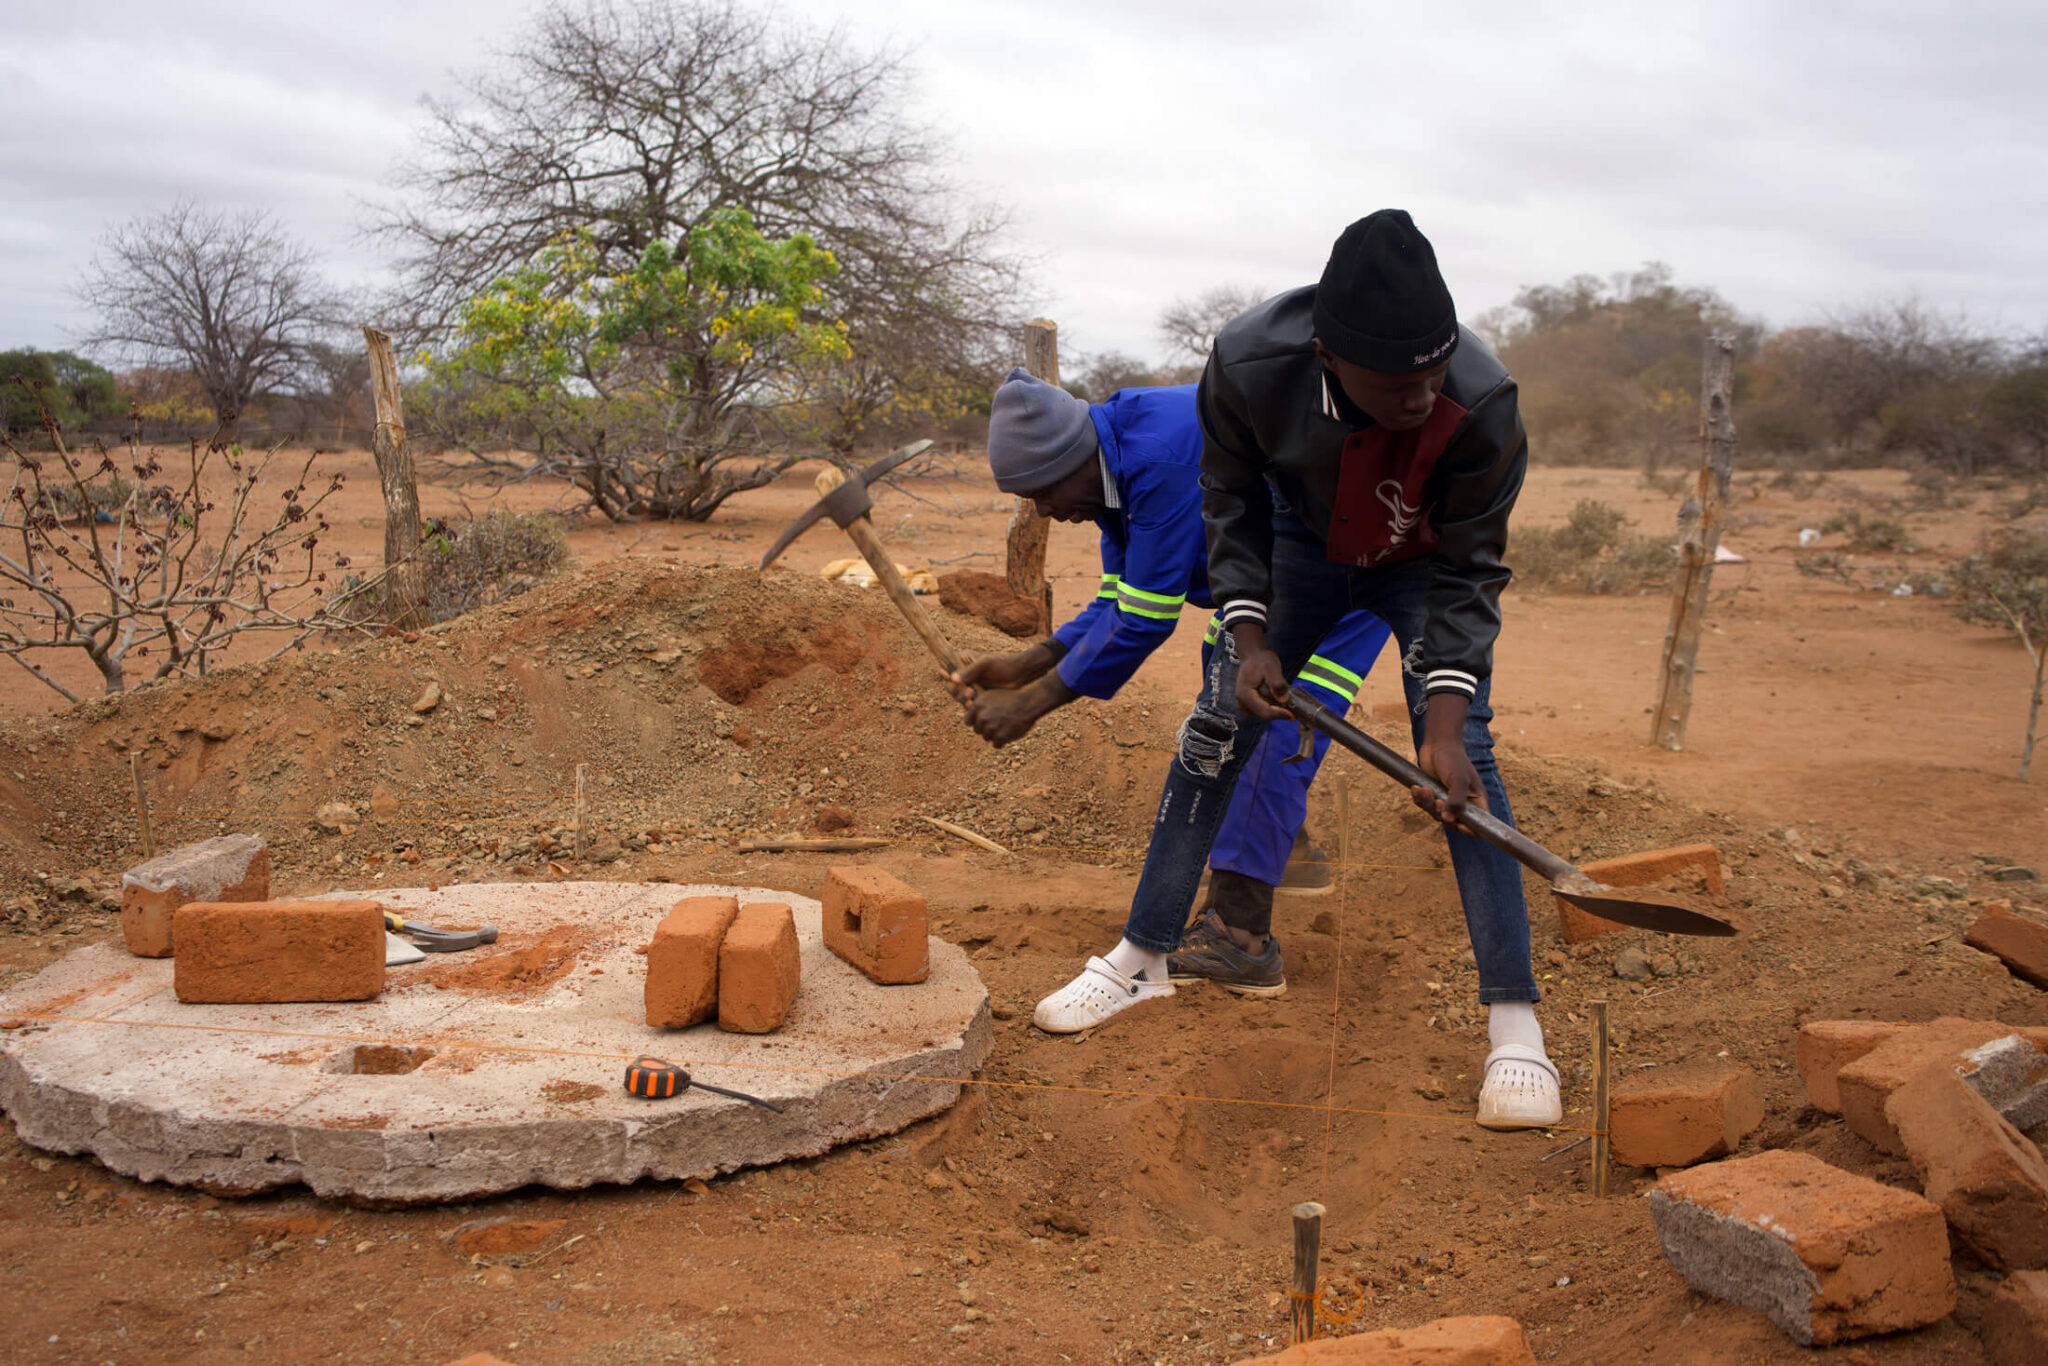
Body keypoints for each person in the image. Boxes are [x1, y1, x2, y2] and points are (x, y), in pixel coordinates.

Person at [1030, 210, 1560, 1131]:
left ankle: (1517, 1035)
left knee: (1466, 759)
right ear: (1326, 354)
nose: (1419, 395)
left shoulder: (1484, 405)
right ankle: (1142, 960)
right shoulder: (1248, 364)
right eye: (1398, 381)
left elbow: (1473, 570)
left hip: (1420, 565)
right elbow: (1228, 502)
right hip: (1300, 552)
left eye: (1433, 374)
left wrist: (1439, 720)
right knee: (1213, 727)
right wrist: (1249, 633)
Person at [951, 369, 1388, 995]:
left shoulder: (1158, 457)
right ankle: (1281, 851)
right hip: (1266, 585)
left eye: (1046, 493)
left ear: (1073, 459)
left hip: (1337, 571)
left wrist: (1033, 703)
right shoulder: (1110, 466)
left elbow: (1145, 621)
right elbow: (1119, 598)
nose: (1049, 512)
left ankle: (1242, 941)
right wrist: (1033, 659)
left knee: (1269, 724)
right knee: (1226, 693)